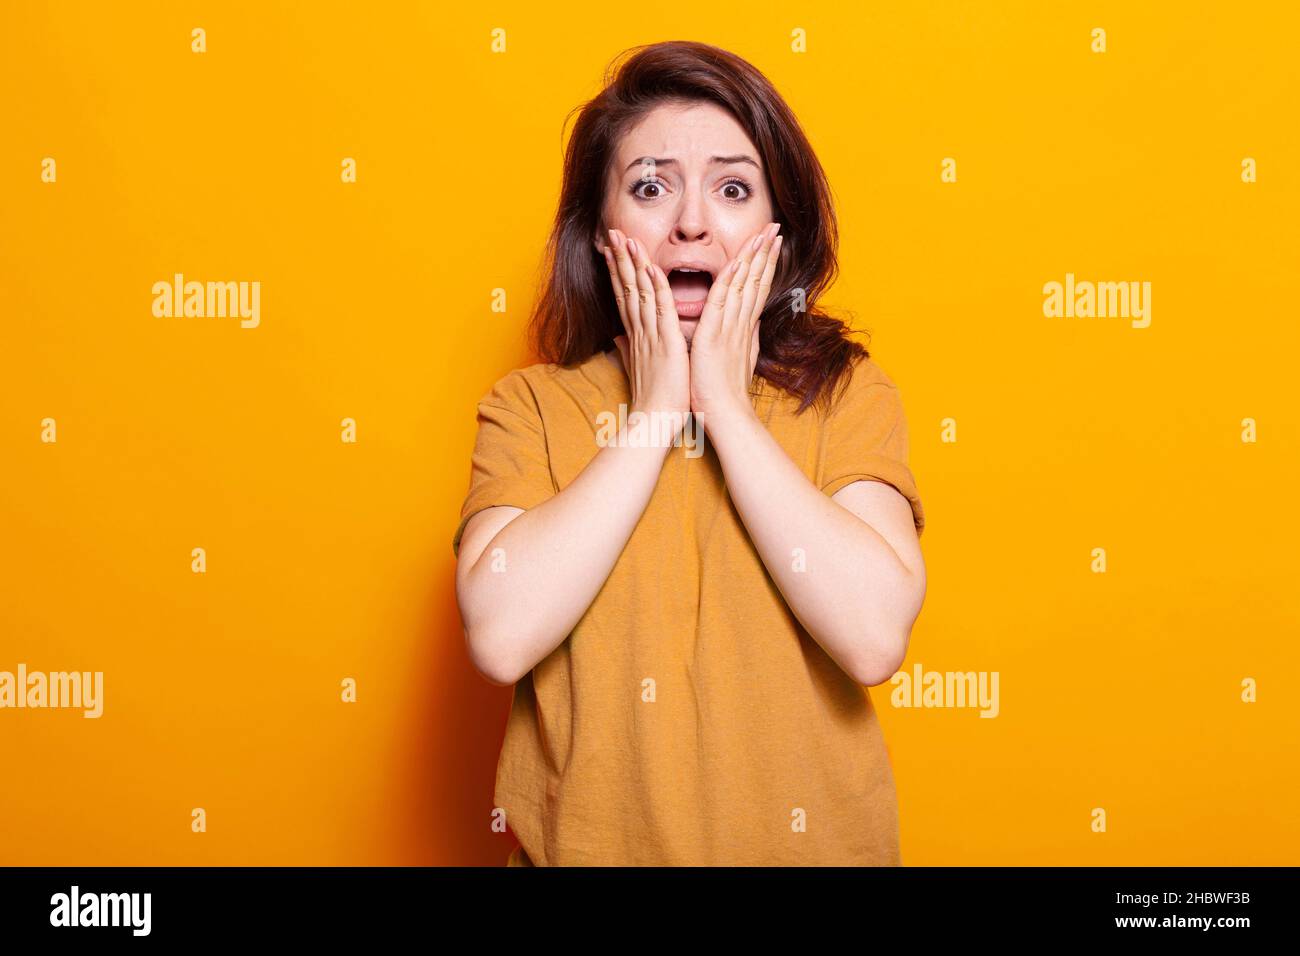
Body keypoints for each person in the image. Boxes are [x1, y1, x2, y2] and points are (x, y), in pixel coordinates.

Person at [452, 40, 927, 866]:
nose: (692, 222)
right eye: (649, 187)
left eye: (733, 188)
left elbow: (874, 636)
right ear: (599, 235)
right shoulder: (529, 408)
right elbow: (499, 636)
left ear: (777, 238)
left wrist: (727, 410)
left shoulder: (846, 394)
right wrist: (657, 410)